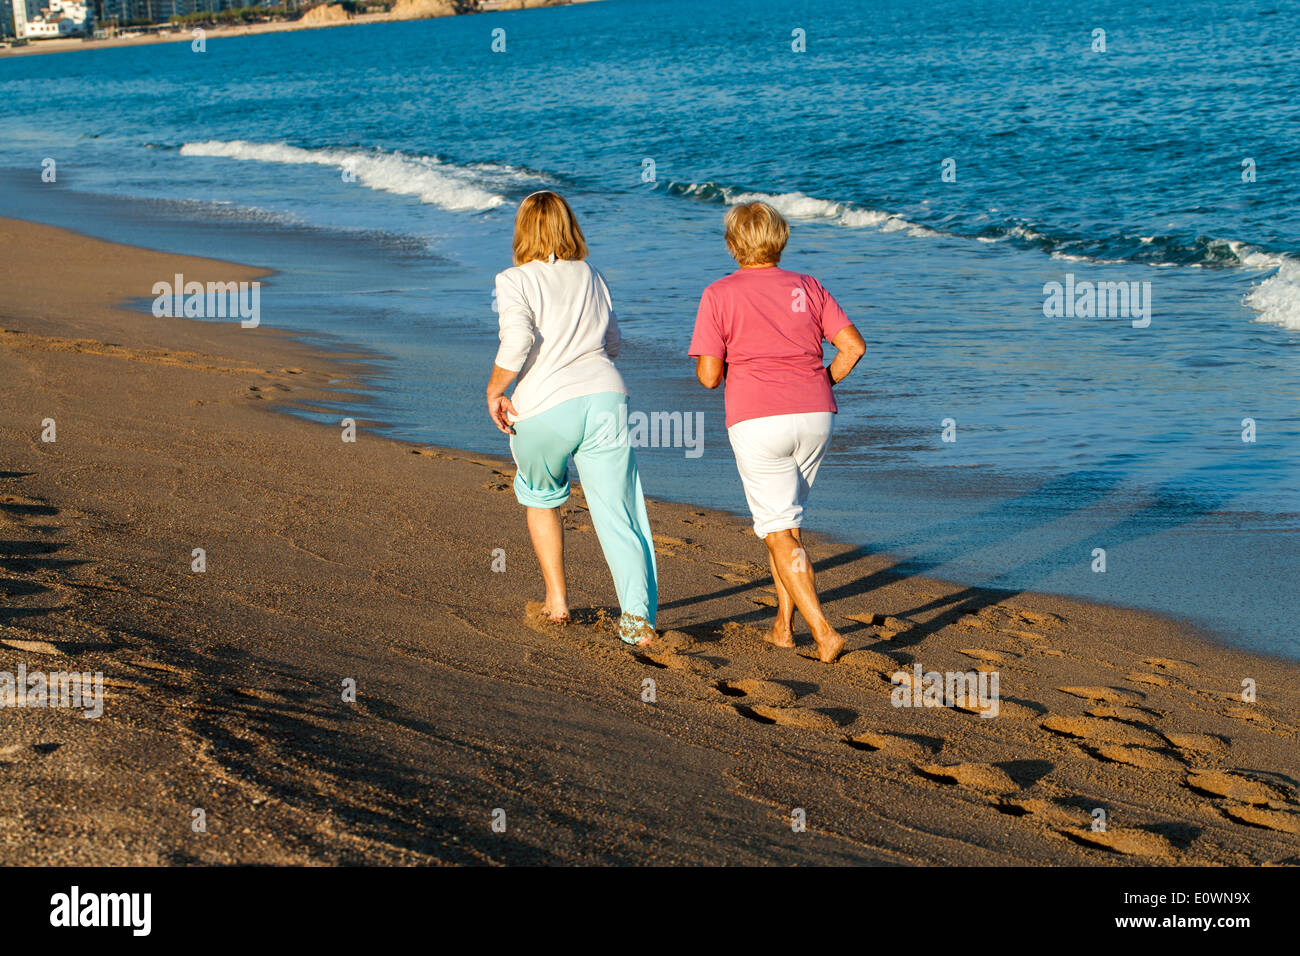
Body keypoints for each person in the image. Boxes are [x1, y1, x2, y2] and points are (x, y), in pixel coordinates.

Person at [689, 201, 865, 663]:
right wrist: (819, 381)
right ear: (780, 239)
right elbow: (852, 347)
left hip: (757, 418)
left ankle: (824, 631)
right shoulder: (807, 286)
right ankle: (783, 628)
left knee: (777, 528)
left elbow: (709, 377)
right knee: (784, 525)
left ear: (732, 246)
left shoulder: (718, 294)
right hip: (815, 414)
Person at [485, 191, 657, 646]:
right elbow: (614, 343)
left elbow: (518, 340)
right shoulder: (592, 275)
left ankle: (557, 602)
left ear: (523, 229)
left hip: (543, 407)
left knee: (542, 498)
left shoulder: (513, 278)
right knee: (619, 513)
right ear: (569, 226)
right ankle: (637, 625)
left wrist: (495, 389)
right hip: (604, 398)